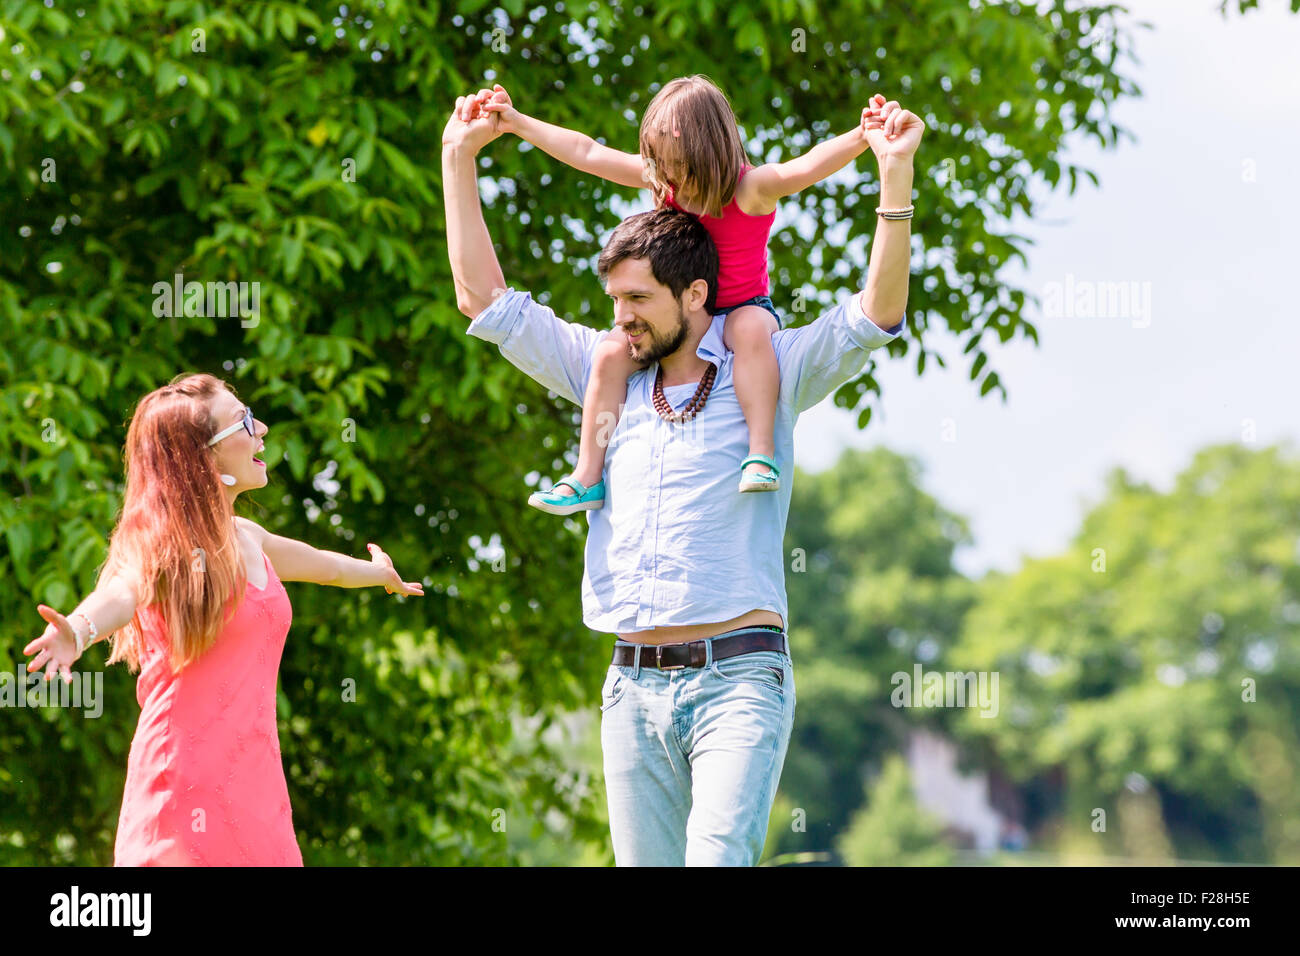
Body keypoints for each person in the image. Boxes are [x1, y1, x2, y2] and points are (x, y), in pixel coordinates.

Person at [444, 86, 923, 865]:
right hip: (630, 688)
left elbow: (874, 312)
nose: (620, 317)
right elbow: (487, 302)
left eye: (637, 300)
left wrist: (892, 175)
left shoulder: (765, 368)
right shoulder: (609, 375)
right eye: (614, 300)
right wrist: (458, 158)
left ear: (693, 294)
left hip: (738, 679)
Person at [22, 373, 424, 866]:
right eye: (244, 422)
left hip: (256, 787)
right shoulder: (162, 543)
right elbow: (121, 592)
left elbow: (330, 568)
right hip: (182, 785)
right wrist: (79, 631)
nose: (263, 430)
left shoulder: (249, 538)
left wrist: (380, 573)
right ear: (202, 455)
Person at [471, 76, 888, 512]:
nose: (668, 176)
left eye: (678, 165)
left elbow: (807, 165)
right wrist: (518, 123)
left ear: (710, 153)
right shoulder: (662, 182)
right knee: (611, 354)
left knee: (748, 333)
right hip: (680, 317)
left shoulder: (751, 189)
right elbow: (587, 152)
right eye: (660, 164)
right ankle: (587, 475)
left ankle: (761, 453)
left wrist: (862, 135)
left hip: (743, 306)